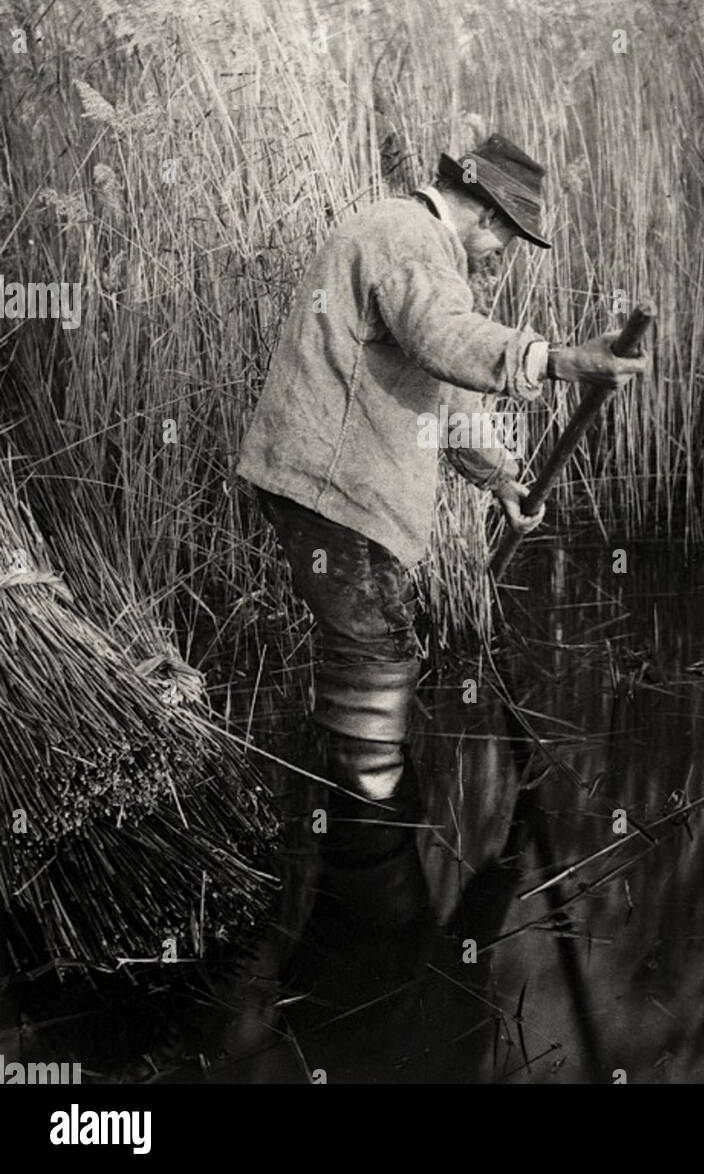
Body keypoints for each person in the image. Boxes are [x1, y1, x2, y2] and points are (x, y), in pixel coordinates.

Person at [236, 133, 646, 966]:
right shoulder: (405, 236)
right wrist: (560, 360)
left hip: (346, 498)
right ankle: (371, 849)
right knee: (379, 657)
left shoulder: (425, 259)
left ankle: (354, 824)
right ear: (485, 212)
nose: (503, 256)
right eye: (506, 237)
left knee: (370, 651)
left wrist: (502, 479)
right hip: (328, 489)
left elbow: (445, 396)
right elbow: (441, 337)